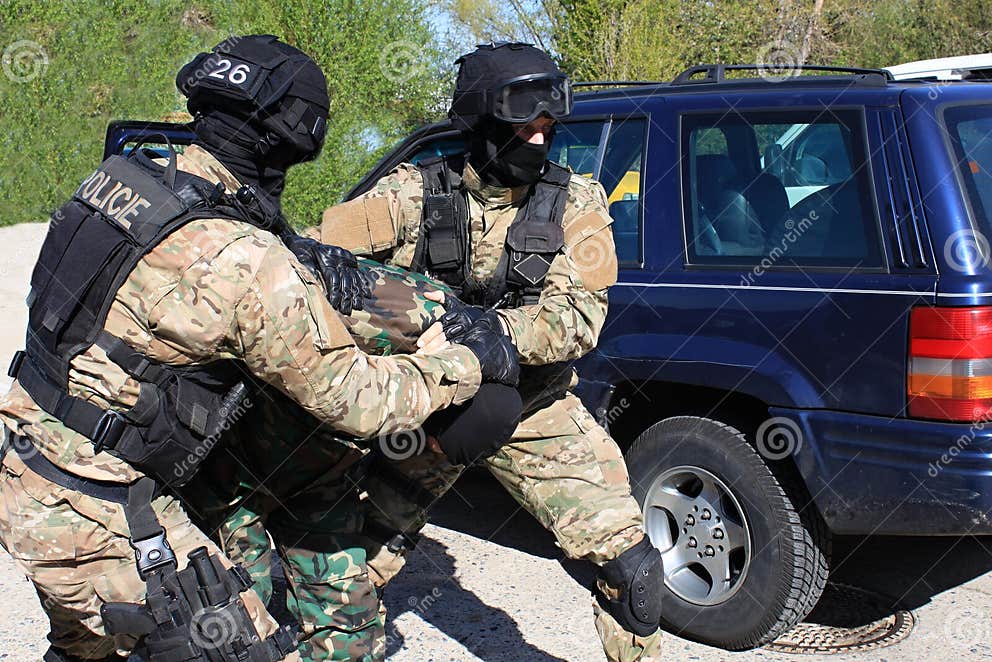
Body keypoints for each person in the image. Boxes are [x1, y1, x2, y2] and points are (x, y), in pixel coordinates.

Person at [0, 34, 517, 662]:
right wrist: (466, 362)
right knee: (240, 646)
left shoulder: (121, 181)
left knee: (85, 651)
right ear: (295, 140)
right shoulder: (248, 261)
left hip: (24, 471)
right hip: (106, 518)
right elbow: (362, 402)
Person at [314, 42, 665, 661]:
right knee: (341, 569)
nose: (541, 133)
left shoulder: (575, 202)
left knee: (633, 574)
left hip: (536, 404)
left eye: (549, 121)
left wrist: (490, 336)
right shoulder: (411, 194)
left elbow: (577, 320)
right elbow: (319, 269)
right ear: (480, 119)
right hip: (430, 406)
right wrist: (404, 334)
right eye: (524, 120)